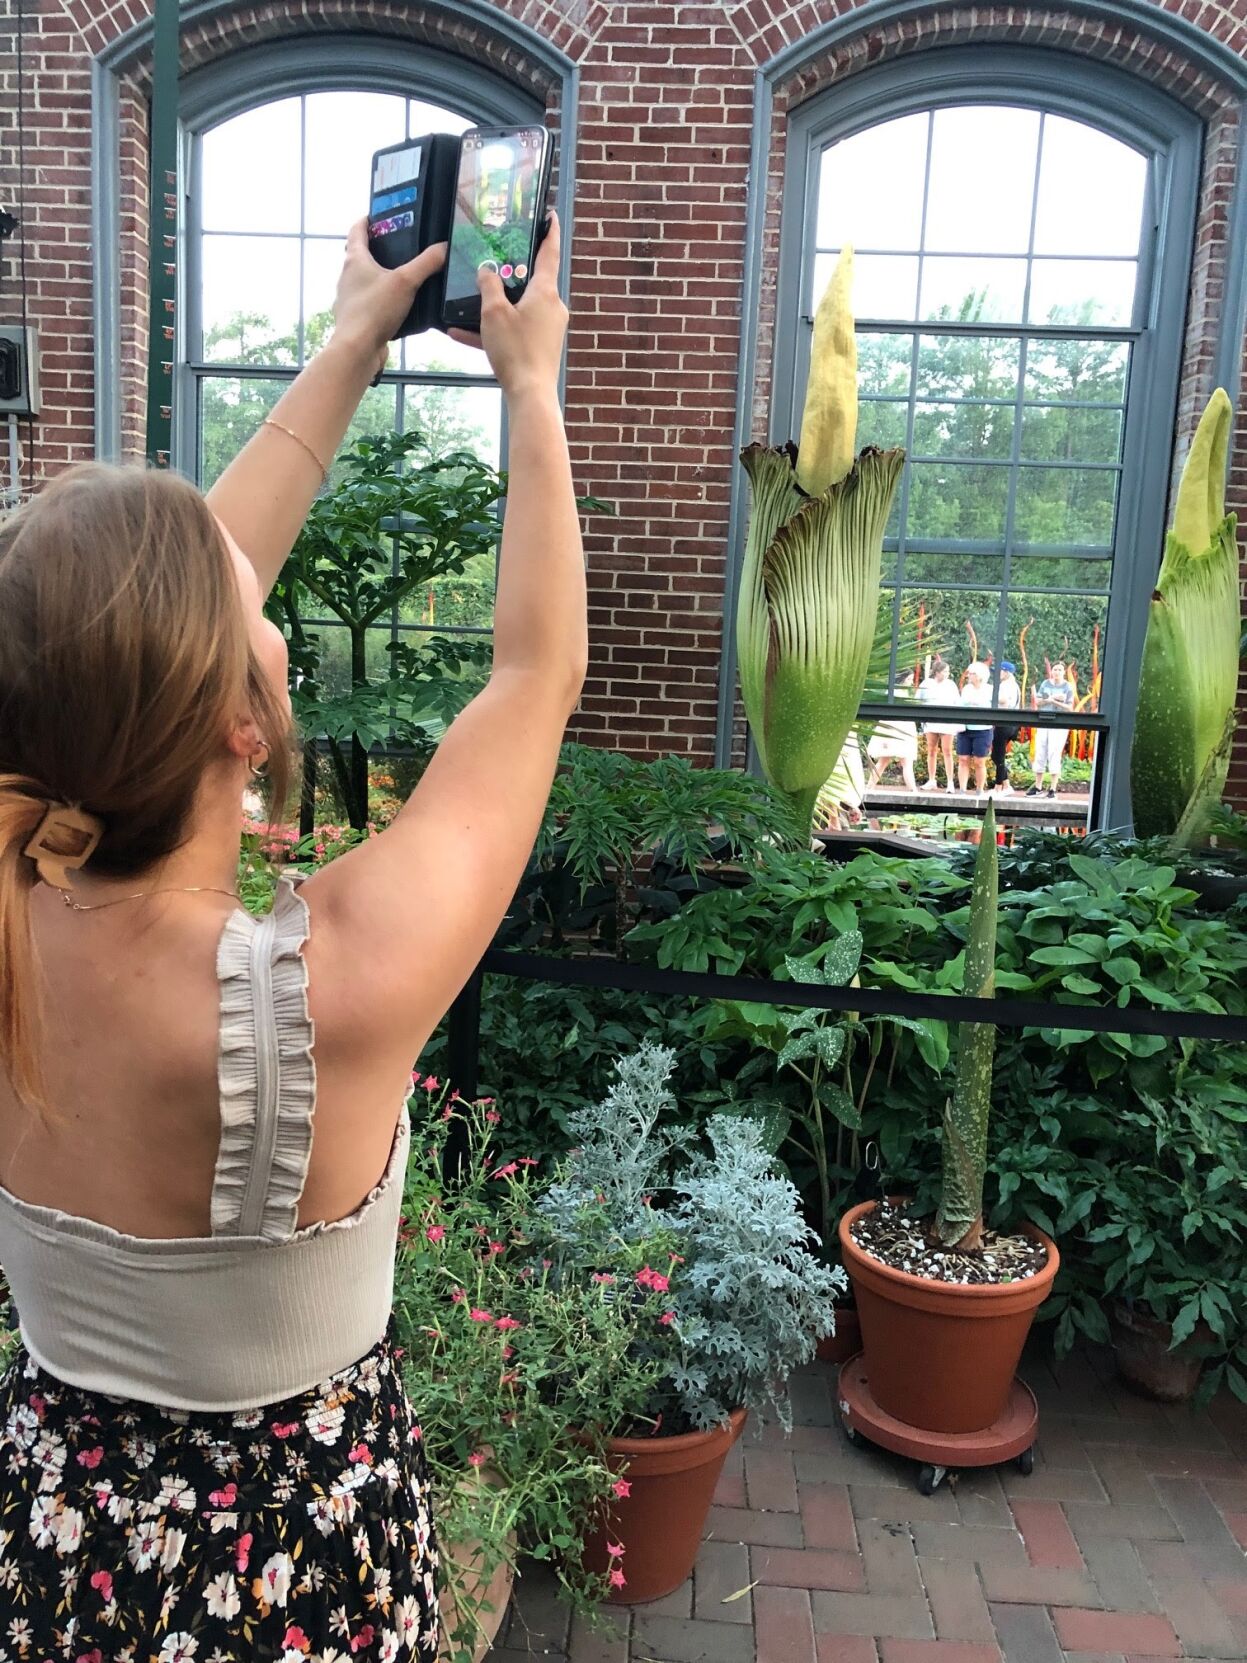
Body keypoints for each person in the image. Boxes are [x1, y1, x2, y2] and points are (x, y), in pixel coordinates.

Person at [0, 215, 583, 1656]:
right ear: (239, 724)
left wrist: (351, 340)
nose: (254, 601)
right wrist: (529, 385)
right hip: (308, 1577)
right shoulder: (330, 988)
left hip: (56, 1559)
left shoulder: (14, 911)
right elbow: (531, 672)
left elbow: (133, 631)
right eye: (249, 619)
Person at [866, 671, 919, 792]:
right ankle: (869, 787)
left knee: (905, 761)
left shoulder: (904, 692)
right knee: (885, 760)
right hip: (893, 729)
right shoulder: (894, 692)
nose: (911, 682)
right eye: (909, 679)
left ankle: (913, 790)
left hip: (903, 728)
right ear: (902, 679)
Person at [1029, 660, 1076, 797]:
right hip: (1043, 722)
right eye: (1055, 669)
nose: (1057, 672)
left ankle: (1052, 789)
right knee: (1040, 752)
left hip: (1059, 724)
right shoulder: (1045, 683)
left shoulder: (1068, 686)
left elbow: (1069, 707)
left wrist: (1054, 701)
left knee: (1054, 753)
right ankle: (1038, 787)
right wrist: (1049, 699)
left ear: (1064, 672)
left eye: (1059, 670)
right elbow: (1038, 701)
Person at [916, 658, 961, 790]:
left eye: (948, 671)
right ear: (937, 672)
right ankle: (931, 780)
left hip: (947, 721)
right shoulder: (927, 683)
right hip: (931, 721)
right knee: (931, 750)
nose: (947, 674)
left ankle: (950, 783)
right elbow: (917, 699)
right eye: (944, 671)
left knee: (947, 751)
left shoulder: (951, 685)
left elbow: (957, 702)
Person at [955, 661, 994, 793]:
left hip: (983, 729)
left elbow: (998, 704)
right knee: (963, 758)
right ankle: (962, 789)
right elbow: (961, 704)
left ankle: (979, 789)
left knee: (979, 761)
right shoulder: (966, 689)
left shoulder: (989, 689)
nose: (969, 676)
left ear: (979, 676)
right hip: (965, 728)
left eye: (972, 673)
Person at [991, 661, 1022, 793]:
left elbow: (1004, 702)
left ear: (1007, 672)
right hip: (1012, 723)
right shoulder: (1014, 685)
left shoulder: (1006, 685)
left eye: (1000, 671)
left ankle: (999, 786)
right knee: (997, 755)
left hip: (1005, 722)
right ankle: (1006, 784)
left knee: (998, 755)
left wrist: (991, 697)